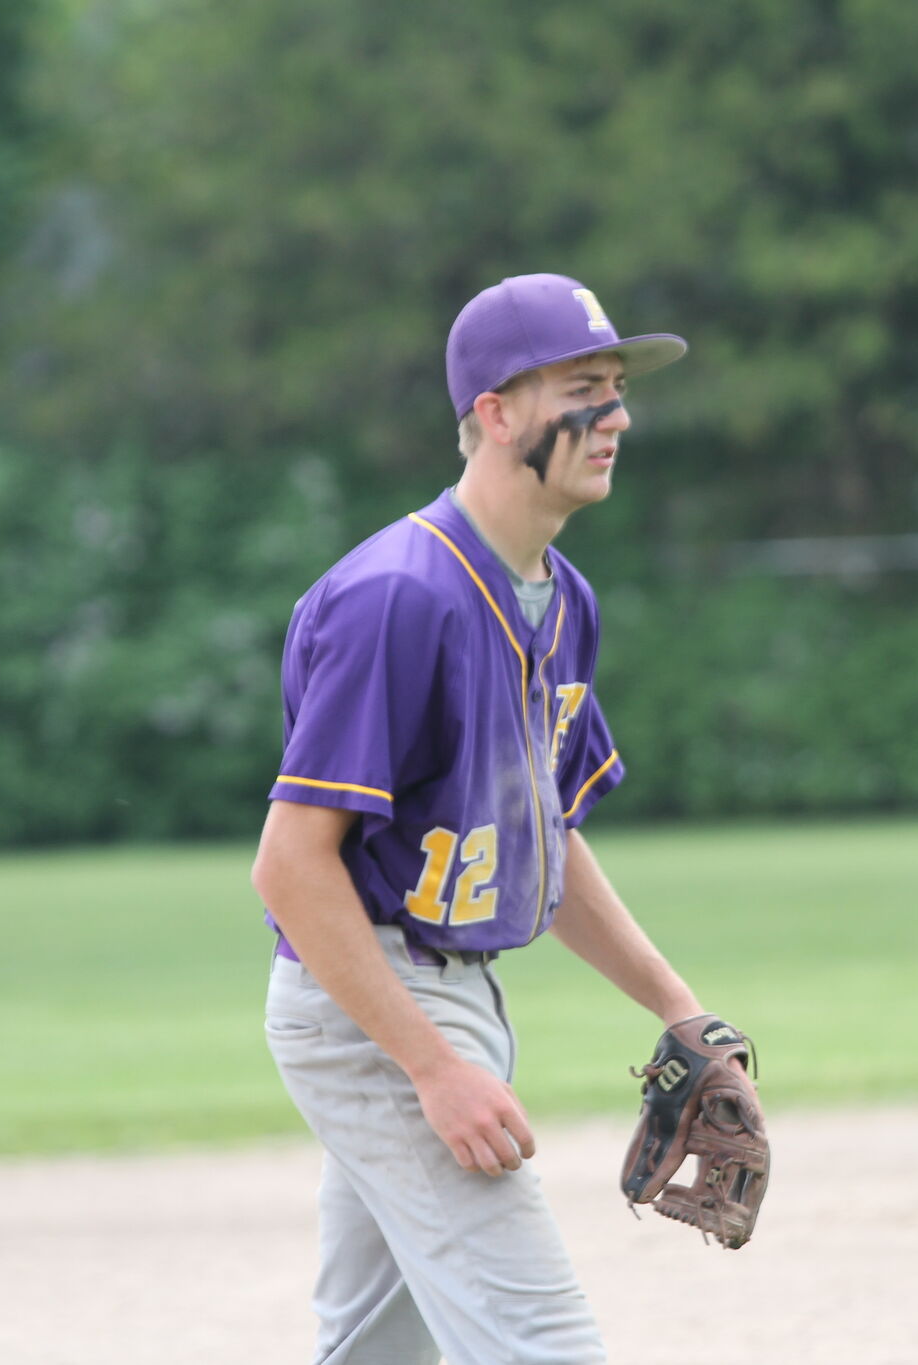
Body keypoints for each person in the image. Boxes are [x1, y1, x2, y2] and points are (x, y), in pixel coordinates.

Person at [251, 273, 717, 1364]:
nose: (617, 415)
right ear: (496, 414)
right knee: (542, 1345)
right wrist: (430, 1066)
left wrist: (679, 1009)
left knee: (377, 1349)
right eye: (584, 389)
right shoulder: (398, 597)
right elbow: (290, 866)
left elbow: (540, 833)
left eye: (617, 388)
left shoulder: (563, 597)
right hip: (373, 1001)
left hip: (441, 999)